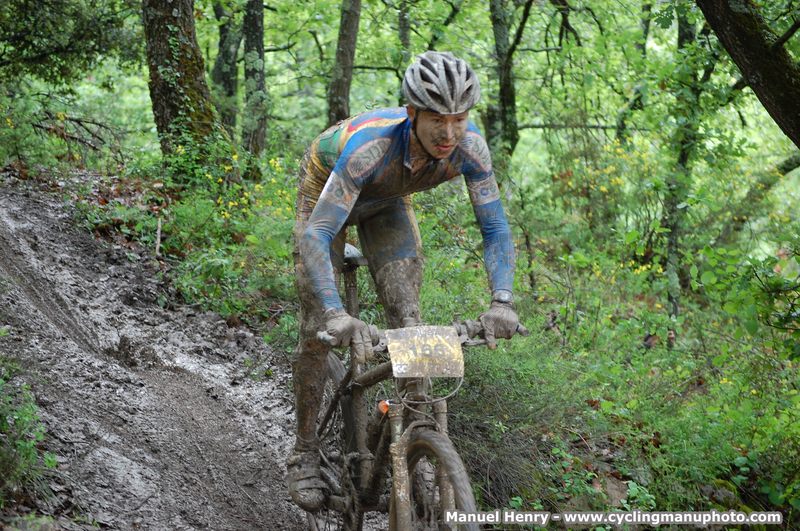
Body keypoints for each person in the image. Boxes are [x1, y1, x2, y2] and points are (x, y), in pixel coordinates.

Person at [287, 51, 524, 512]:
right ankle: (304, 450)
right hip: (327, 197)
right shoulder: (370, 149)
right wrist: (336, 313)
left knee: (409, 321)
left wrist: (502, 301)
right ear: (412, 113)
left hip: (386, 200)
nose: (449, 133)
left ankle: (417, 442)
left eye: (459, 119)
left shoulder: (471, 149)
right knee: (317, 328)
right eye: (437, 119)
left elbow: (495, 228)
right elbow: (317, 233)